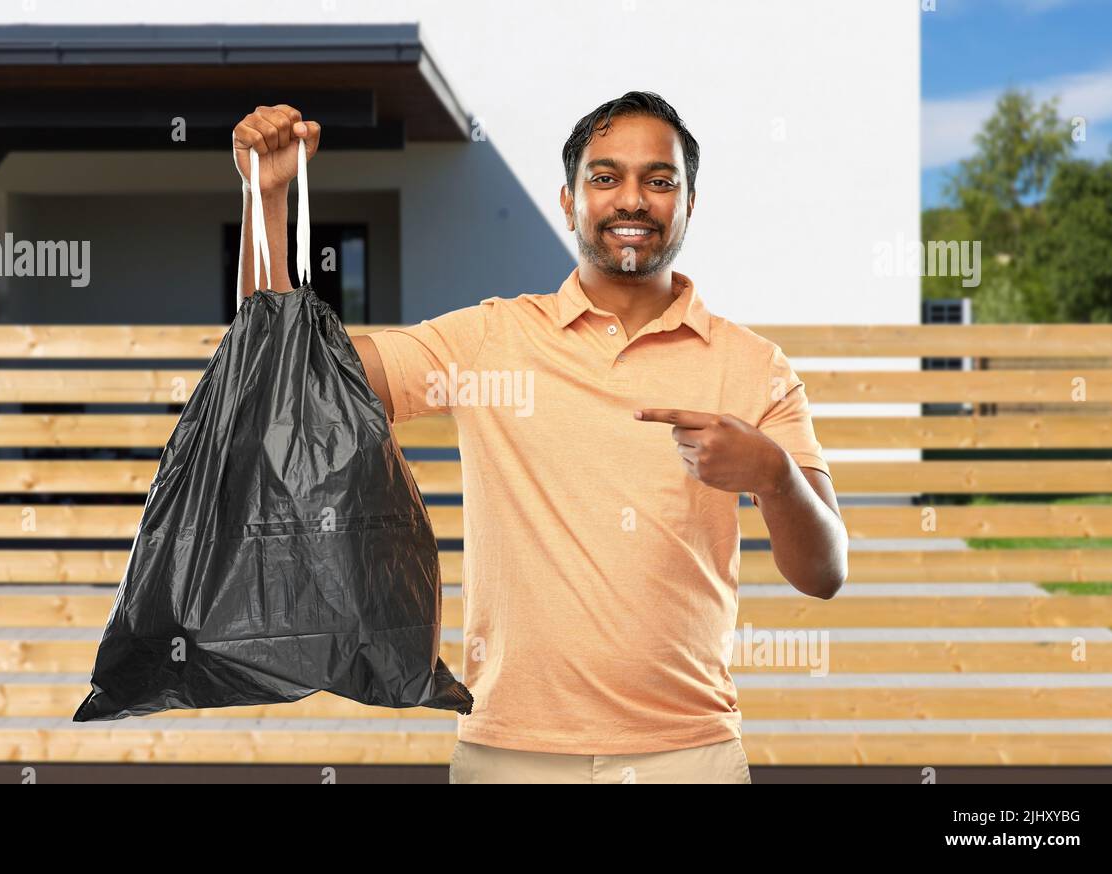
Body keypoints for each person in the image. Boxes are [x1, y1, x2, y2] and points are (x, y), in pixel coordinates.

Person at [231, 92, 848, 784]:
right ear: (568, 200)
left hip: (688, 757)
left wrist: (777, 478)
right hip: (510, 756)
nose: (633, 200)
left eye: (660, 180)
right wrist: (266, 202)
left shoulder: (753, 366)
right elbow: (288, 381)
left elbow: (824, 572)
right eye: (606, 177)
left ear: (690, 202)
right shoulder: (491, 340)